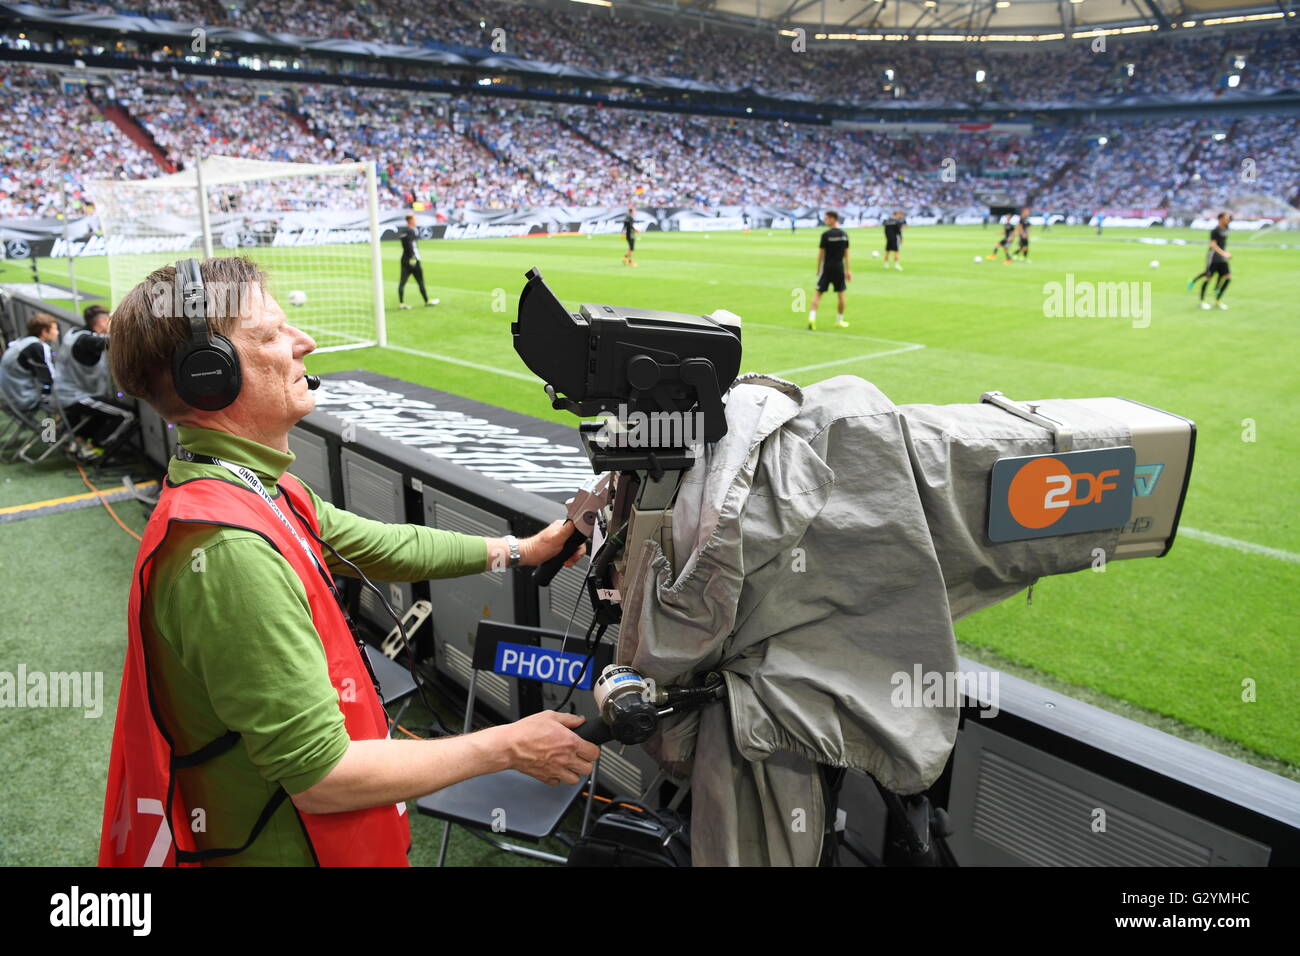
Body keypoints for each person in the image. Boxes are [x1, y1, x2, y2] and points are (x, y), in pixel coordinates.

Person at [99, 256, 597, 866]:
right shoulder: (228, 552)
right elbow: (324, 779)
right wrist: (507, 747)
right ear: (210, 377)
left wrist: (524, 550)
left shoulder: (251, 488)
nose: (305, 342)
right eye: (272, 334)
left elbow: (384, 544)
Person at [54, 304, 135, 463]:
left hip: (63, 394)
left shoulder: (73, 333)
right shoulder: (87, 340)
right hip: (75, 396)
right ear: (102, 322)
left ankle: (79, 442)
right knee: (127, 415)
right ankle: (94, 450)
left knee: (104, 413)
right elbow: (112, 341)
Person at [0, 313, 60, 416]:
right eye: (55, 329)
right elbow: (51, 380)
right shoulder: (37, 347)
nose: (57, 333)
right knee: (72, 398)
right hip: (22, 401)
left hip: (6, 399)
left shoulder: (21, 342)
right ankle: (59, 430)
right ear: (44, 332)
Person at [809, 210, 851, 331]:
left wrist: (818, 270)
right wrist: (848, 271)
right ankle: (839, 320)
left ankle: (812, 318)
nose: (825, 220)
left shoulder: (826, 235)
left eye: (826, 218)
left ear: (833, 219)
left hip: (827, 267)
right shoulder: (844, 234)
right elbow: (847, 255)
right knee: (841, 294)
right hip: (839, 268)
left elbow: (821, 254)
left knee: (818, 294)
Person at [1188, 211, 1232, 310]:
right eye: (1226, 218)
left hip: (1222, 258)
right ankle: (1202, 301)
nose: (1228, 219)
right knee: (1208, 277)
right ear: (1221, 219)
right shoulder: (1215, 231)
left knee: (1228, 277)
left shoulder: (1226, 228)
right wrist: (1224, 253)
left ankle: (1218, 300)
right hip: (1213, 257)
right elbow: (1212, 245)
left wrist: (1224, 254)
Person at [396, 213, 439, 309]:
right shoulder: (411, 231)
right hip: (413, 260)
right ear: (410, 220)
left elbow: (405, 244)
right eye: (414, 219)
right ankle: (427, 300)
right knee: (420, 281)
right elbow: (411, 245)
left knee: (402, 282)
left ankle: (401, 303)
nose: (415, 221)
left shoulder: (403, 231)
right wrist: (413, 257)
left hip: (404, 259)